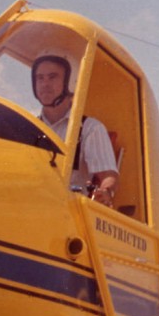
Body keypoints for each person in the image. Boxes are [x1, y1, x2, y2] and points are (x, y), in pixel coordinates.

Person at [32, 54, 118, 207]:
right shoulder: (28, 127)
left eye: (52, 77)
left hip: (68, 214)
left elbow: (108, 176)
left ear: (70, 83)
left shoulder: (90, 128)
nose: (45, 84)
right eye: (40, 78)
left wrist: (106, 192)